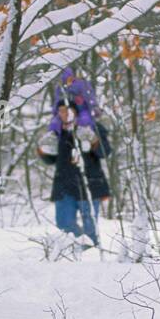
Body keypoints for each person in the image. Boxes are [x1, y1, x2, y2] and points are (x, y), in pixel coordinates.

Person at [37, 101, 112, 247]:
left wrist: (94, 140)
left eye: (67, 110)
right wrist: (43, 148)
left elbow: (105, 152)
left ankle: (92, 255)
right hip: (64, 186)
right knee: (64, 223)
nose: (64, 114)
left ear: (75, 112)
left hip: (89, 184)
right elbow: (51, 160)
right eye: (60, 111)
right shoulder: (57, 132)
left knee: (90, 227)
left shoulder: (92, 128)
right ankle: (79, 247)